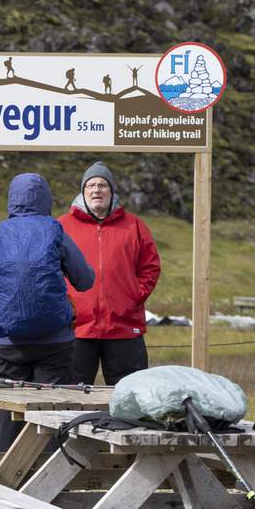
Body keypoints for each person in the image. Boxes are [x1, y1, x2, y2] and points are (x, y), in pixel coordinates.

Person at [0, 174, 95, 451]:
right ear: (46, 199)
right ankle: (49, 470)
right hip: (54, 342)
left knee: (8, 407)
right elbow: (85, 279)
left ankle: (1, 466)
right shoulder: (55, 231)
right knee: (51, 408)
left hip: (8, 342)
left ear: (12, 199)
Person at [58, 162, 160, 386]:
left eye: (102, 185)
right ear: (83, 192)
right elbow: (50, 269)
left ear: (112, 191)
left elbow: (150, 267)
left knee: (131, 396)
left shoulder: (134, 226)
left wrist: (134, 296)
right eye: (91, 185)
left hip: (124, 328)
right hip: (76, 329)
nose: (96, 190)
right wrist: (64, 304)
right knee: (68, 396)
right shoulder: (62, 226)